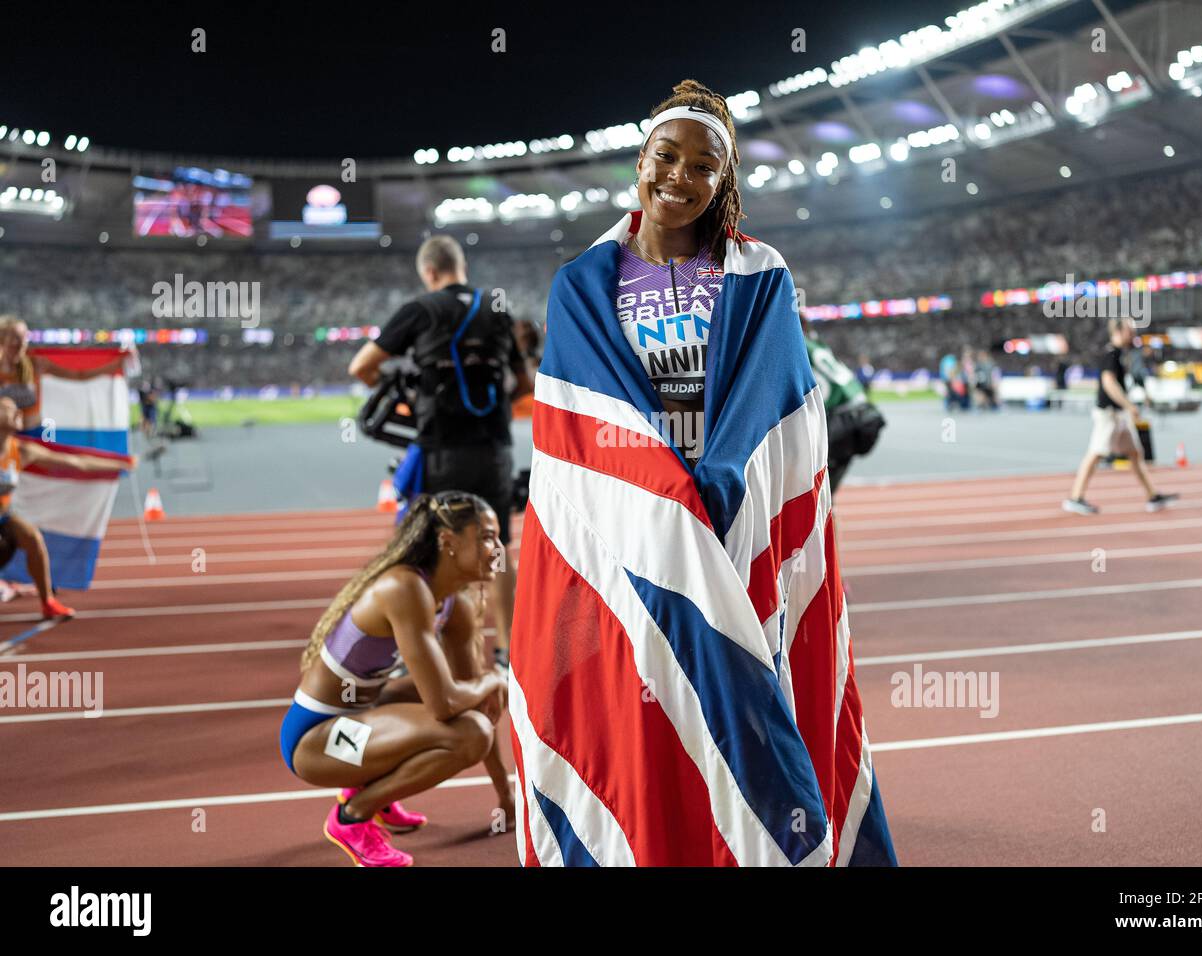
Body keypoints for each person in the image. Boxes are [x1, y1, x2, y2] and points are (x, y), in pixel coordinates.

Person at [510, 79, 896, 866]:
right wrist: (656, 504)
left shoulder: (759, 276)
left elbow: (777, 406)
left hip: (733, 528)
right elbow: (577, 428)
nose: (679, 178)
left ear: (724, 183)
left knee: (742, 700)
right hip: (629, 538)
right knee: (639, 710)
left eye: (703, 166)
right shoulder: (583, 283)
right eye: (667, 156)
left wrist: (707, 492)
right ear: (641, 159)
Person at [280, 491, 513, 867]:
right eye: (486, 537)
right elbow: (445, 705)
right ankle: (352, 816)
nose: (498, 549)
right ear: (448, 542)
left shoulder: (455, 606)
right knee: (468, 731)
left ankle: (375, 793)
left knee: (478, 712)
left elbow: (479, 701)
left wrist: (505, 794)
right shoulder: (404, 588)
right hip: (315, 740)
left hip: (361, 717)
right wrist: (494, 679)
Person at [348, 239, 534, 670]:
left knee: (431, 546)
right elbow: (524, 383)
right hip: (493, 447)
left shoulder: (421, 309)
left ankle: (426, 645)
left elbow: (361, 367)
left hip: (441, 447)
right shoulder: (497, 308)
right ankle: (507, 652)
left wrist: (405, 387)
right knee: (500, 546)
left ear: (429, 272)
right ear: (461, 266)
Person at [0, 397, 136, 618]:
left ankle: (48, 603)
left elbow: (75, 462)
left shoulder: (22, 451)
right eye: (7, 410)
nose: (17, 413)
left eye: (16, 410)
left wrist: (120, 464)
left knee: (33, 540)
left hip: (4, 517)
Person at [1063, 318, 1179, 515]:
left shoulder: (1122, 354)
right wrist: (1129, 405)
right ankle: (1075, 497)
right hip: (1109, 413)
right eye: (1130, 329)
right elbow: (1109, 384)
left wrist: (1136, 401)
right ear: (1118, 330)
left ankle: (1152, 495)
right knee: (1095, 454)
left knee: (1135, 454)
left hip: (1119, 414)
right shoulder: (1110, 354)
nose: (1133, 333)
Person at [0, 316, 127, 432]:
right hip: (3, 436)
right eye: (15, 338)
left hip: (34, 432)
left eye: (24, 337)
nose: (21, 343)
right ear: (2, 340)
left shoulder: (36, 363)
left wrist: (114, 366)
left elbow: (78, 375)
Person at [804, 321, 884, 493]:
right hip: (866, 414)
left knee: (815, 494)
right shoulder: (819, 345)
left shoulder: (798, 346)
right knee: (824, 493)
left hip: (841, 420)